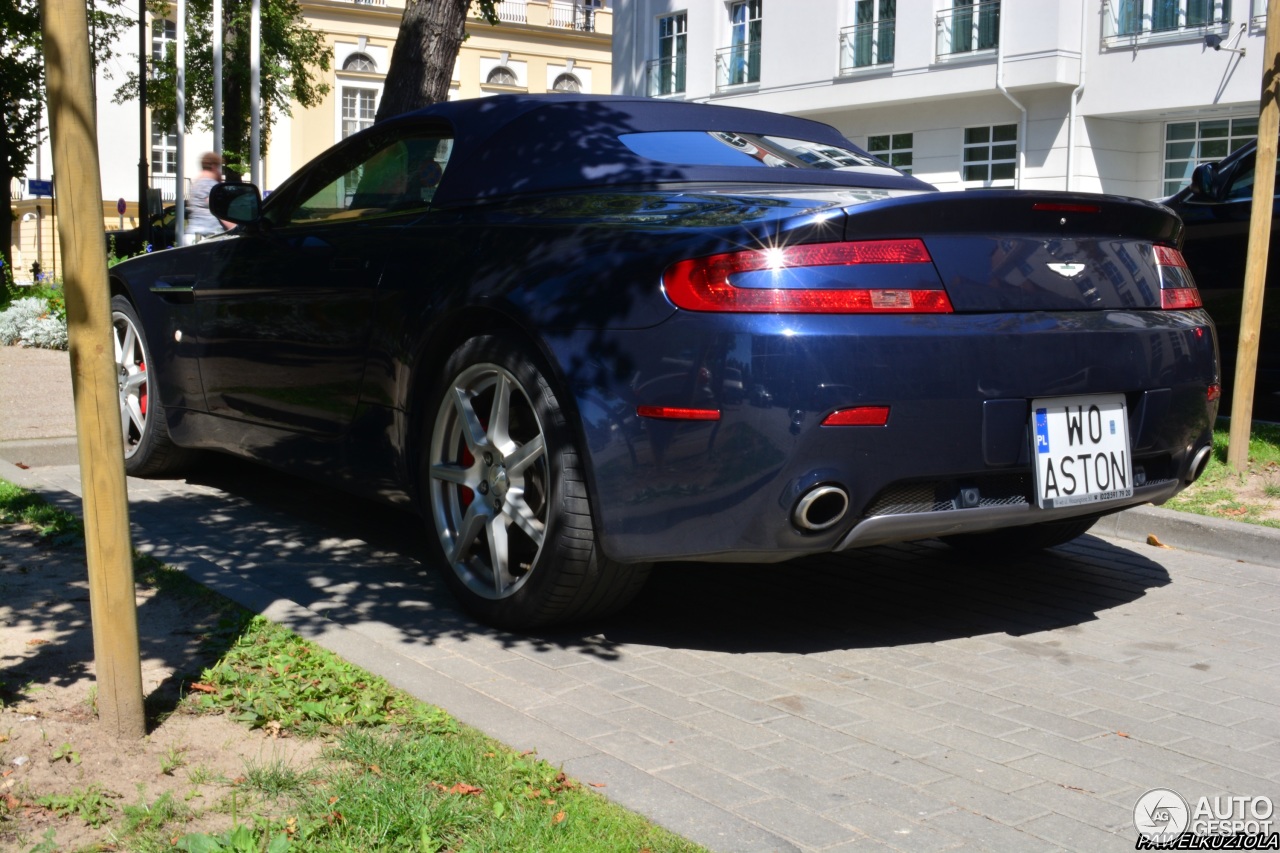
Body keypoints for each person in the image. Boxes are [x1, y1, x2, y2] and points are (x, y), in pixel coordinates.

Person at [185, 152, 226, 245]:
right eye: (219, 168)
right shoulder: (211, 184)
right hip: (208, 236)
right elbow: (219, 209)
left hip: (192, 234)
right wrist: (235, 227)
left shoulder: (196, 183)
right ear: (214, 167)